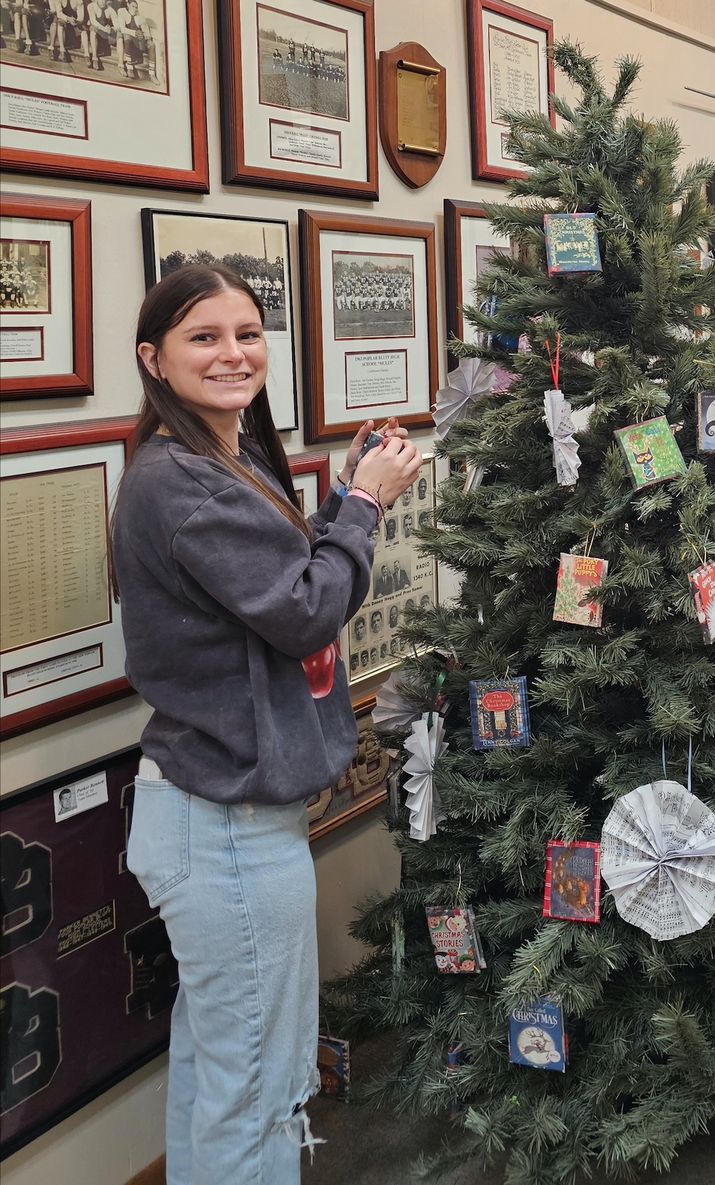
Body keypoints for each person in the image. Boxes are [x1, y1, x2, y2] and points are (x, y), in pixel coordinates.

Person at [110, 264, 422, 1185]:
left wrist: (336, 504)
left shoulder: (223, 459)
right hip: (227, 831)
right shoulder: (182, 481)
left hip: (218, 815)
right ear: (153, 359)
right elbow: (304, 612)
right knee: (263, 1090)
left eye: (247, 332)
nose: (233, 352)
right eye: (203, 336)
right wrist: (365, 504)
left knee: (222, 1076)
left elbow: (276, 583)